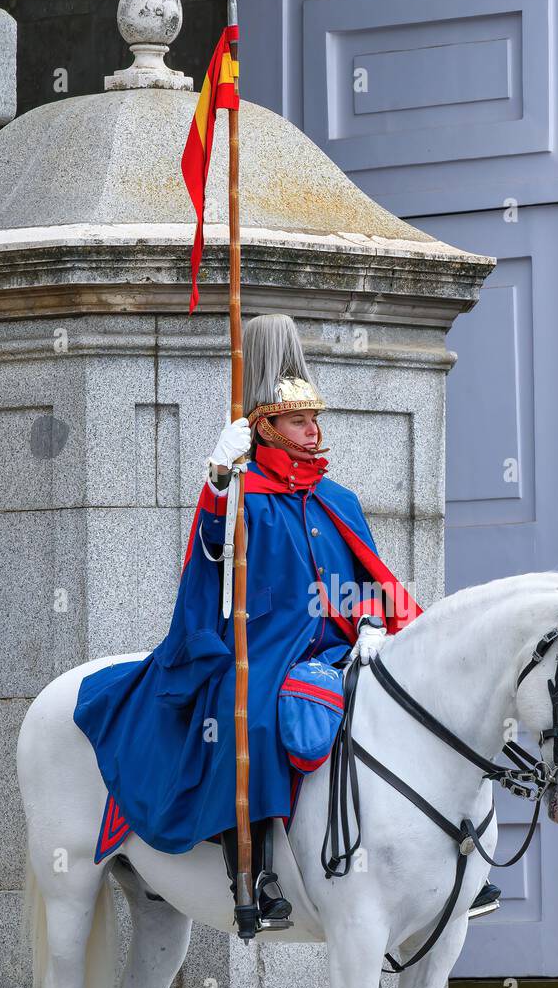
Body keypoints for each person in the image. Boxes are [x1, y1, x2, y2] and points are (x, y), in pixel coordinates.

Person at [73, 314, 501, 925]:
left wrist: (375, 621)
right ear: (265, 427)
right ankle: (250, 869)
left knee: (434, 713)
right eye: (299, 420)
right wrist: (220, 479)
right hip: (266, 644)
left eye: (315, 418)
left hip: (343, 648)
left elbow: (368, 578)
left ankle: (461, 864)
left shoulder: (338, 499)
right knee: (254, 718)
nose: (313, 430)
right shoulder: (244, 493)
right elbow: (210, 552)